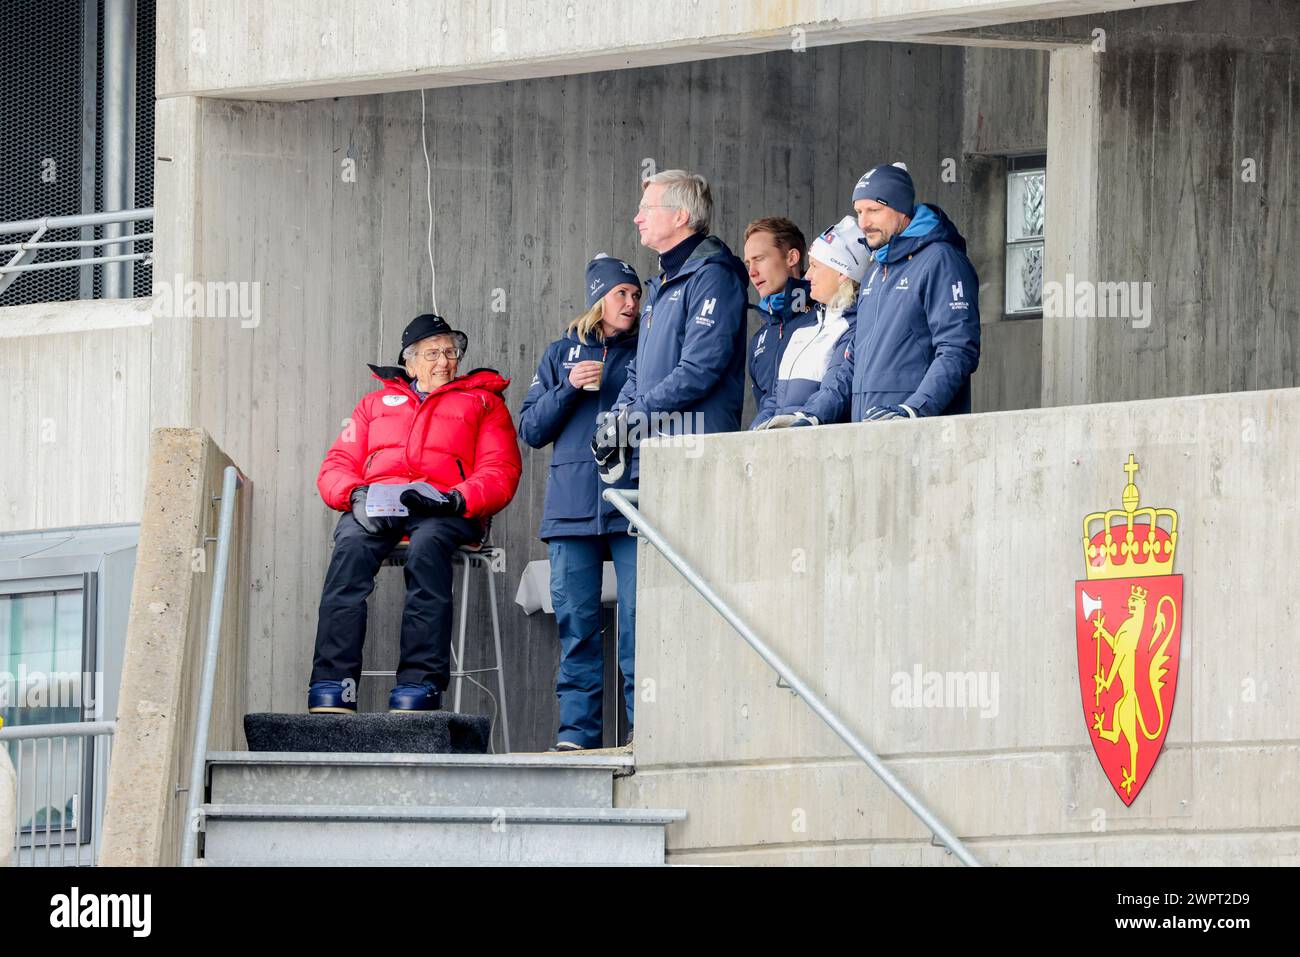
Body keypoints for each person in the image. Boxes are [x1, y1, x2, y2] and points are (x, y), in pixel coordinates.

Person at [309, 313, 522, 714]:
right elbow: (337, 462)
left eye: (450, 352)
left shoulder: (483, 402)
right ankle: (333, 683)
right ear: (408, 362)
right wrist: (354, 495)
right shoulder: (373, 405)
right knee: (350, 548)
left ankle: (419, 684)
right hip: (379, 503)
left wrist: (456, 500)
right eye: (432, 353)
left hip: (444, 507)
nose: (444, 361)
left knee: (427, 549)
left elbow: (501, 470)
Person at [518, 254, 641, 751]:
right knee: (578, 628)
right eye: (621, 294)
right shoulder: (559, 353)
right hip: (570, 510)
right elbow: (530, 429)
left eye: (635, 295)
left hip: (633, 502)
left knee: (640, 624)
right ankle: (577, 737)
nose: (631, 303)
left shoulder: (650, 348)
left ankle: (645, 733)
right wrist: (568, 389)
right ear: (599, 298)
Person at [765, 162, 980, 427]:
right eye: (859, 212)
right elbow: (852, 362)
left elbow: (957, 349)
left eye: (874, 210)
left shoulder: (942, 261)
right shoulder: (876, 271)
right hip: (870, 434)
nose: (864, 223)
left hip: (921, 433)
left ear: (901, 209)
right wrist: (813, 414)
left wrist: (916, 409)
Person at [600, 169, 748, 466]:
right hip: (655, 450)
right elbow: (638, 371)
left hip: (694, 453)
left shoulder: (714, 277)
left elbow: (698, 369)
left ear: (680, 217)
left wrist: (630, 422)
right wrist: (614, 423)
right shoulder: (662, 285)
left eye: (646, 209)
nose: (637, 218)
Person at [752, 216, 867, 430]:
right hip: (781, 444)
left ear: (842, 273)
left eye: (815, 266)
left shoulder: (854, 326)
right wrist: (754, 434)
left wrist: (803, 423)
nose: (808, 276)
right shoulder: (803, 326)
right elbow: (773, 398)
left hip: (817, 446)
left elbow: (836, 389)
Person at [742, 217, 814, 417]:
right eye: (748, 263)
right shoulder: (759, 340)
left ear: (792, 257)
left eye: (760, 259)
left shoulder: (826, 317)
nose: (752, 272)